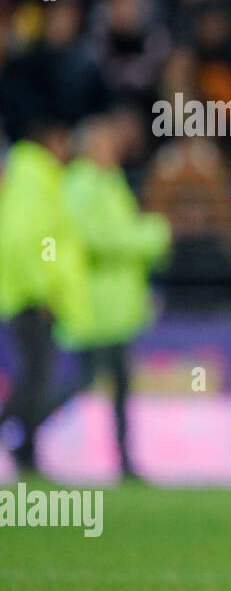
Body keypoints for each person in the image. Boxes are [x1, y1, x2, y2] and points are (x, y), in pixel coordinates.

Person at [54, 114, 171, 476]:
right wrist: (152, 234)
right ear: (89, 147)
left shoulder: (108, 182)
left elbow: (115, 232)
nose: (113, 147)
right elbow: (96, 238)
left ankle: (125, 459)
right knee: (87, 378)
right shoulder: (81, 185)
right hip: (96, 304)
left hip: (117, 305)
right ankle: (22, 428)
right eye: (106, 141)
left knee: (117, 383)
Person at [0, 122, 92, 470]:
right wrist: (44, 289)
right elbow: (36, 243)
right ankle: (24, 449)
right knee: (34, 379)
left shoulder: (33, 180)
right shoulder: (34, 182)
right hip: (30, 297)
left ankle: (27, 454)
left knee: (37, 379)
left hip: (29, 293)